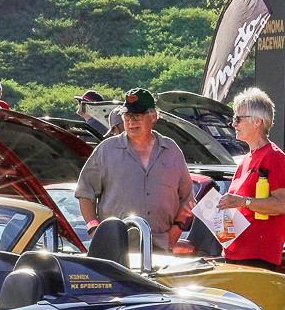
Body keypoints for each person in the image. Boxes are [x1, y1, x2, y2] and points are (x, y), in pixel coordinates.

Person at [74, 88, 196, 251]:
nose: (131, 122)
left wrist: (176, 230)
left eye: (137, 116)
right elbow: (85, 193)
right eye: (127, 116)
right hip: (115, 247)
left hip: (160, 246)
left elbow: (187, 197)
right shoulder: (107, 150)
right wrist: (93, 229)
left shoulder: (171, 150)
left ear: (153, 116)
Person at [215, 87, 285, 270]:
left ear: (257, 122)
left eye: (238, 118)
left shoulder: (274, 157)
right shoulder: (245, 160)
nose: (234, 124)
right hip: (234, 254)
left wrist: (242, 201)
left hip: (257, 258)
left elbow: (283, 205)